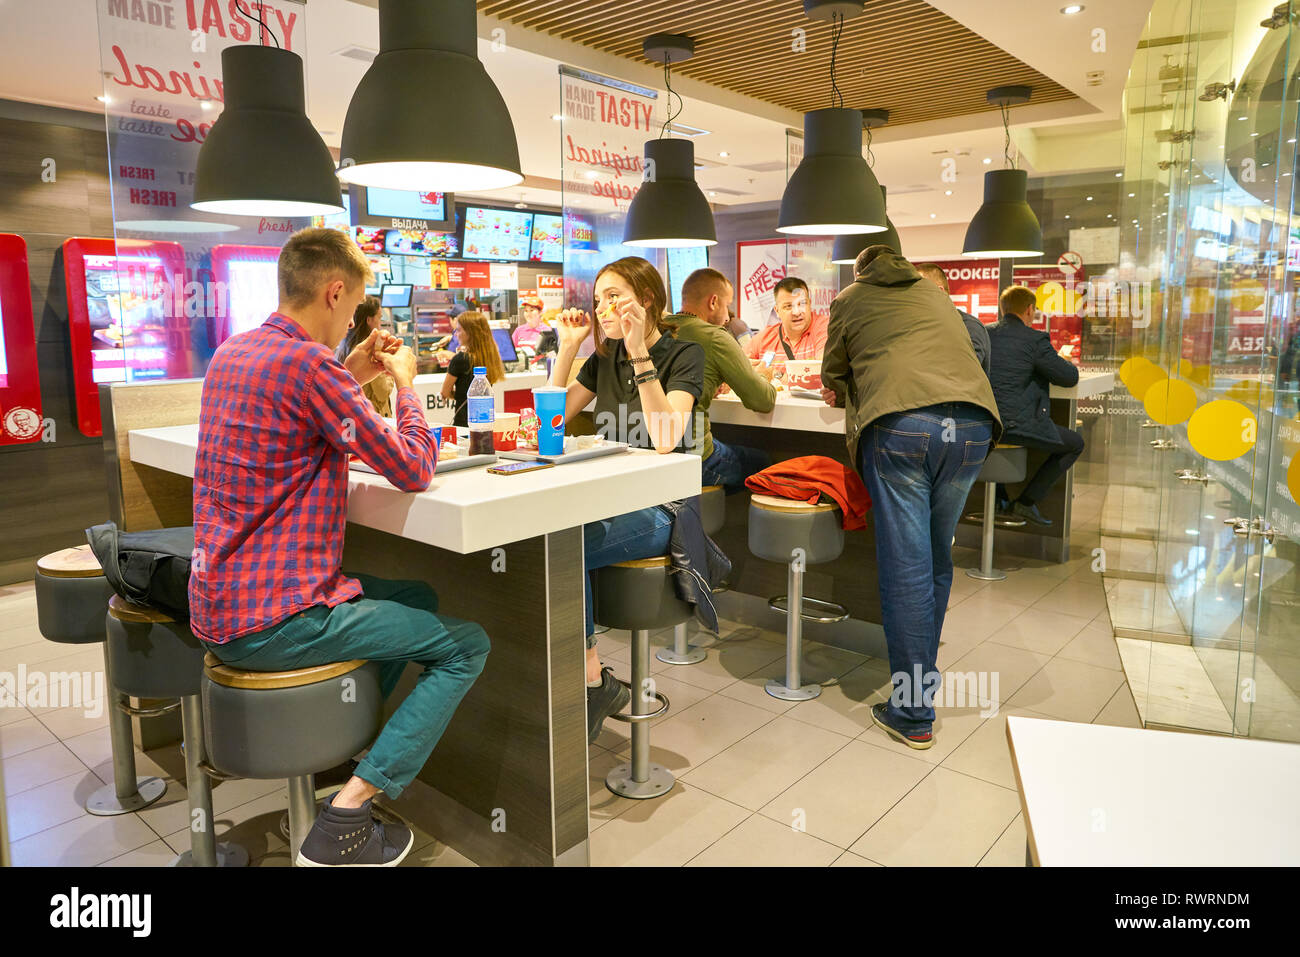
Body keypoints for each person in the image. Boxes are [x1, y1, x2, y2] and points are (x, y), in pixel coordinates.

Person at [190, 227, 489, 866]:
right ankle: (349, 813)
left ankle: (345, 745)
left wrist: (350, 369)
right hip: (276, 619)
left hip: (218, 604)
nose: (354, 319)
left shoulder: (234, 352)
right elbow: (411, 467)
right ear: (333, 292)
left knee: (417, 595)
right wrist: (409, 385)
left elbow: (306, 410)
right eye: (353, 308)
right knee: (466, 645)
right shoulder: (311, 368)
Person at [822, 245, 1001, 751]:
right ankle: (922, 678)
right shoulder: (933, 293)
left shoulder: (852, 297)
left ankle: (913, 710)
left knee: (907, 568)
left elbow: (833, 372)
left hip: (902, 427)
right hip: (971, 427)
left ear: (861, 269)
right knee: (935, 558)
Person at [548, 256, 704, 742]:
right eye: (598, 300)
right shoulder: (603, 357)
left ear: (648, 299)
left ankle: (590, 680)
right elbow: (548, 429)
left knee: (559, 548)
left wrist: (639, 351)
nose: (603, 307)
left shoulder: (684, 354)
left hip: (666, 511)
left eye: (614, 296)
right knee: (551, 541)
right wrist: (568, 350)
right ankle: (592, 674)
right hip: (610, 504)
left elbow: (665, 437)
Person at [666, 267, 775, 492]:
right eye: (727, 305)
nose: (728, 316)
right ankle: (728, 525)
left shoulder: (660, 330)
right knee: (763, 463)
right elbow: (762, 401)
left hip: (655, 453)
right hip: (696, 456)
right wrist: (762, 376)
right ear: (713, 301)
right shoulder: (715, 336)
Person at [986, 285, 1083, 526]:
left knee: (992, 442)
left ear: (1003, 308)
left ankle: (998, 499)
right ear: (1030, 309)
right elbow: (1068, 377)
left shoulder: (984, 333)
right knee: (1075, 444)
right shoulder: (1035, 339)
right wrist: (1064, 361)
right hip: (1016, 425)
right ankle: (1026, 503)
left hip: (982, 425)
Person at [744, 276, 828, 381]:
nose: (797, 312)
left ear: (809, 304)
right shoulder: (764, 338)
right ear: (777, 311)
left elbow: (821, 370)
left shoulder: (824, 327)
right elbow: (737, 366)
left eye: (802, 303)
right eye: (788, 306)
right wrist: (747, 370)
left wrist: (775, 375)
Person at [915, 262, 991, 375]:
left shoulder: (969, 327)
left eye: (919, 292)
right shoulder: (923, 327)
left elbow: (963, 375)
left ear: (940, 292)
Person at [440, 311, 507, 428]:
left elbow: (445, 392)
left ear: (470, 333)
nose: (456, 334)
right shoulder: (491, 358)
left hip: (463, 423)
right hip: (485, 421)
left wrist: (461, 395)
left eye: (459, 330)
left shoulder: (460, 359)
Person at [340, 296, 394, 416]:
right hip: (372, 416)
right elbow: (382, 392)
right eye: (379, 317)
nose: (381, 322)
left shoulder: (344, 344)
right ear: (369, 320)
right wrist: (392, 372)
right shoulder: (370, 352)